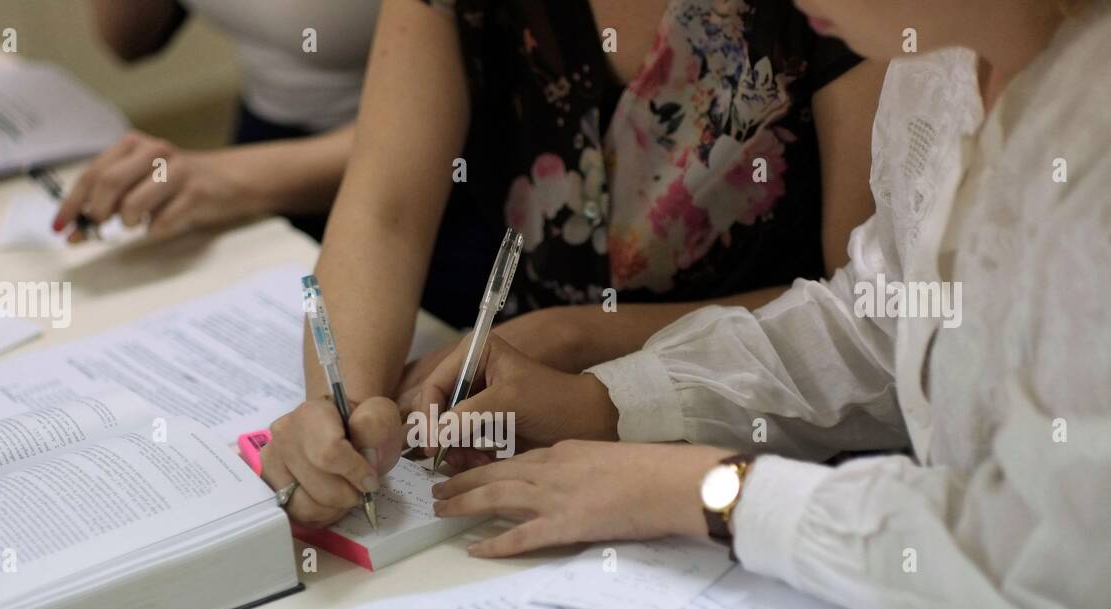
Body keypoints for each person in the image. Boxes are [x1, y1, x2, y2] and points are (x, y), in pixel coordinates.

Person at [426, 0, 1111, 609]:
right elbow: (878, 320)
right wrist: (609, 402)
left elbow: (1057, 550)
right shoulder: (937, 60)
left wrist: (700, 491)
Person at [263, 0, 884, 528]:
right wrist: (343, 410)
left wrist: (571, 335)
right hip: (521, 436)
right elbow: (386, 210)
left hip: (777, 446)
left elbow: (860, 305)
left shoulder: (853, 13)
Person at [53, 0, 378, 244]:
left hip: (385, 176)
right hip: (258, 139)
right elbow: (127, 40)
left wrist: (222, 177)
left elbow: (417, 148)